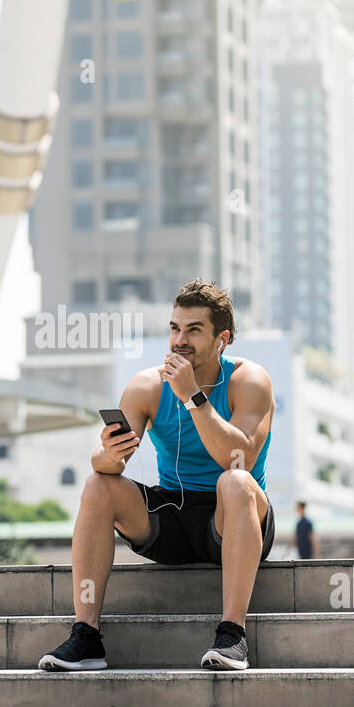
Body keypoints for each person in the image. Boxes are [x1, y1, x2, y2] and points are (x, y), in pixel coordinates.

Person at [39, 278, 275, 673]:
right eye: (175, 328)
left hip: (233, 519)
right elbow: (108, 462)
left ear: (223, 339)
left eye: (194, 330)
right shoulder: (147, 385)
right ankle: (86, 637)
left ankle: (233, 634)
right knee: (98, 485)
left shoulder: (248, 381)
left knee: (233, 482)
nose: (180, 340)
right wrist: (109, 455)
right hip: (173, 517)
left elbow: (240, 459)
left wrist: (193, 398)